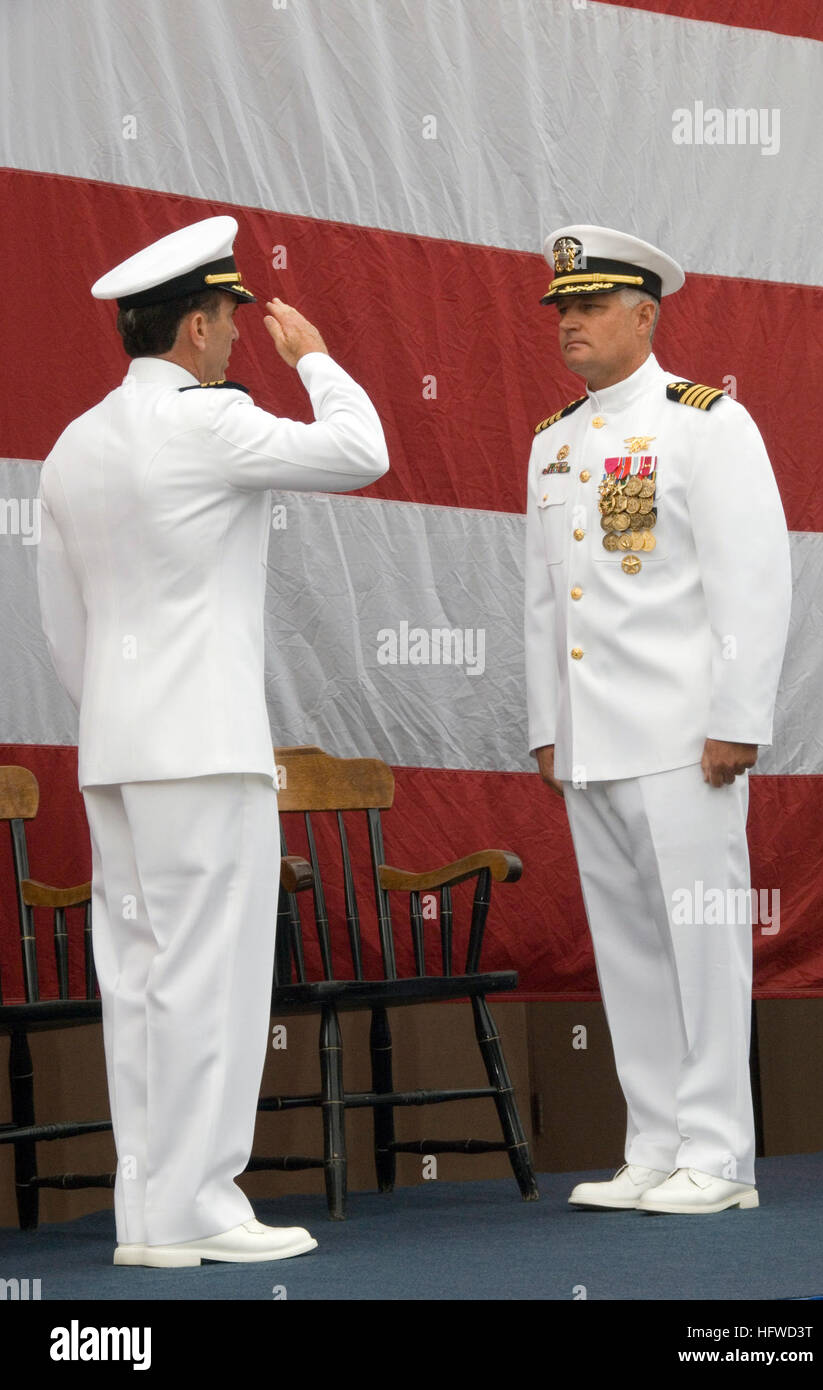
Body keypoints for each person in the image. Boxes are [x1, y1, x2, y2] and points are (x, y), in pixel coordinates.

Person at [36, 215, 389, 1265]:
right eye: (229, 318)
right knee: (211, 976)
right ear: (194, 327)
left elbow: (65, 626)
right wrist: (317, 358)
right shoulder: (207, 423)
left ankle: (150, 1209)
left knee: (140, 979)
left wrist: (113, 710)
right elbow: (362, 450)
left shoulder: (75, 442)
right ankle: (199, 1203)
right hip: (205, 746)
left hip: (118, 748)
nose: (239, 335)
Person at [524, 224, 791, 1214]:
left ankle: (717, 1156)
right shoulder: (552, 440)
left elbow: (751, 582)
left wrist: (736, 716)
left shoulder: (704, 424)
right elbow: (544, 601)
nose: (569, 324)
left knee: (698, 940)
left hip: (686, 738)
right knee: (629, 947)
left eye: (589, 305)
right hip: (591, 737)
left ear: (644, 313)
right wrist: (544, 720)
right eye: (561, 307)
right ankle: (653, 1142)